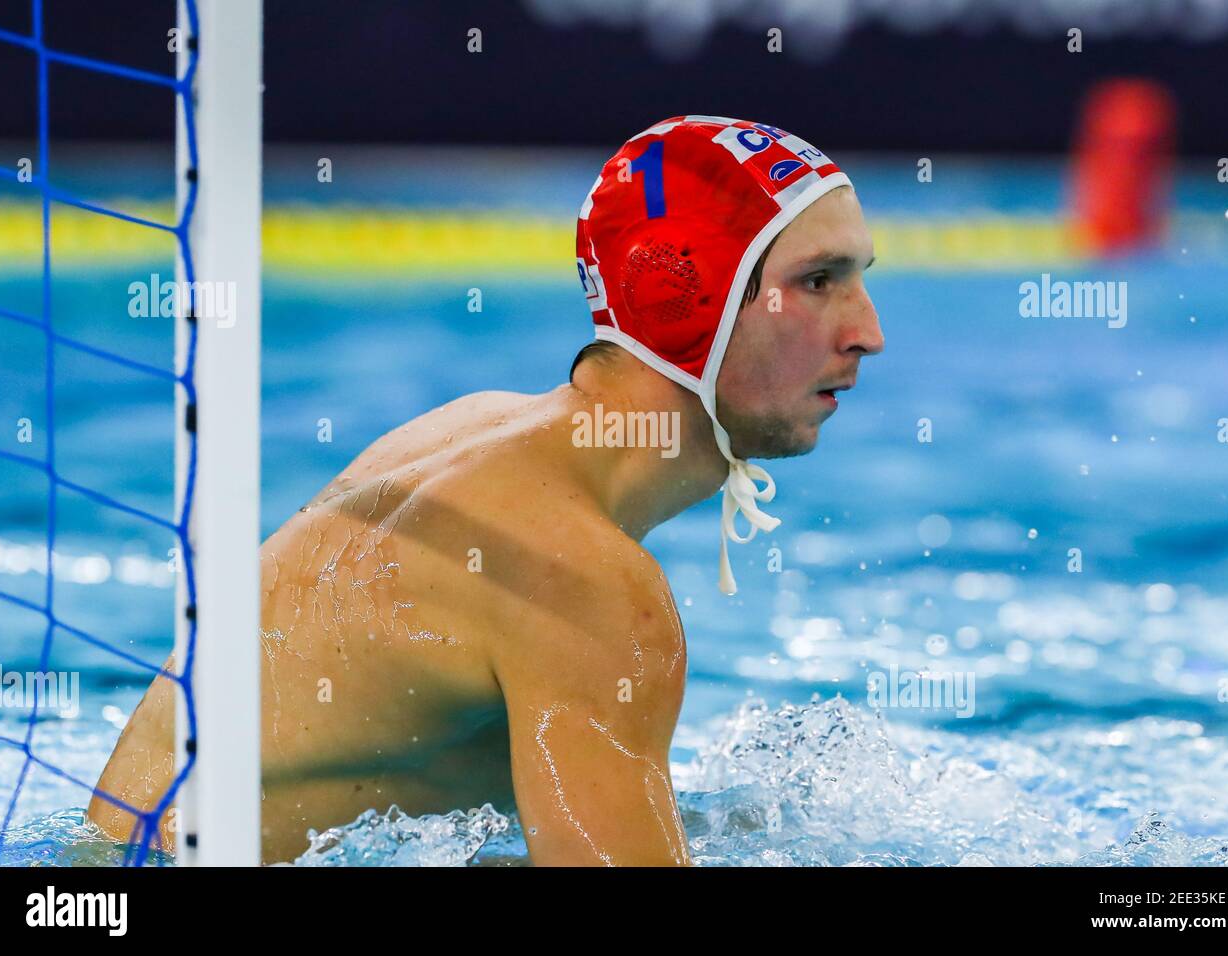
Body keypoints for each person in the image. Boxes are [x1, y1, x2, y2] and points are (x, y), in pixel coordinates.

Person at [87, 115, 883, 865]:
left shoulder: (473, 429)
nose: (867, 332)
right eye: (818, 282)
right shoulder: (589, 594)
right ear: (688, 303)